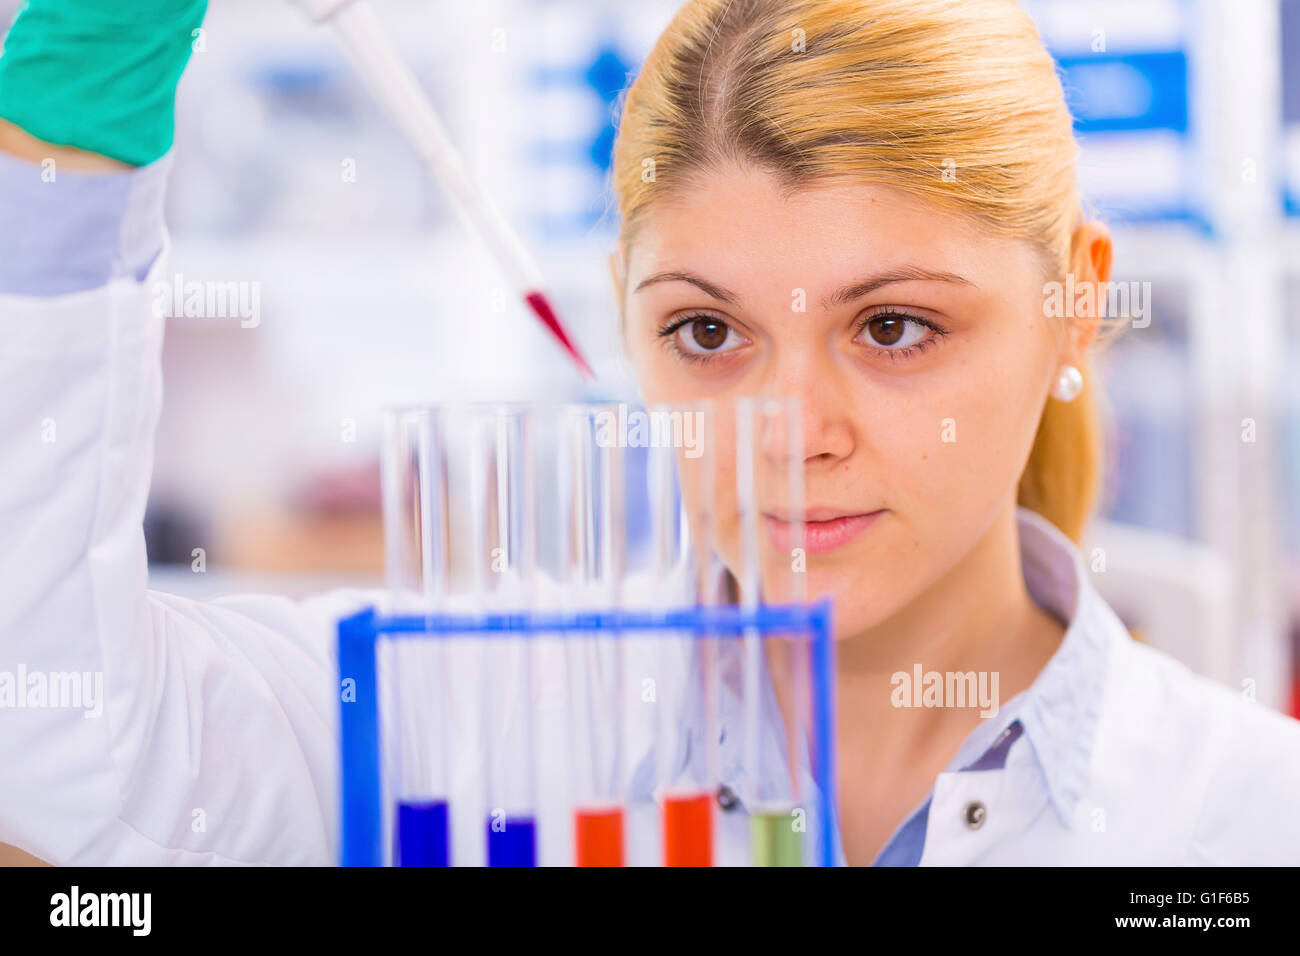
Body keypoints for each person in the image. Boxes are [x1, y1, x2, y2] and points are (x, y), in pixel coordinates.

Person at [2, 0, 1298, 867]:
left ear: (1076, 304)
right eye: (709, 334)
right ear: (625, 319)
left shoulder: (1246, 823)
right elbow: (65, 738)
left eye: (894, 328)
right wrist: (76, 105)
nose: (789, 435)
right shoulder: (467, 729)